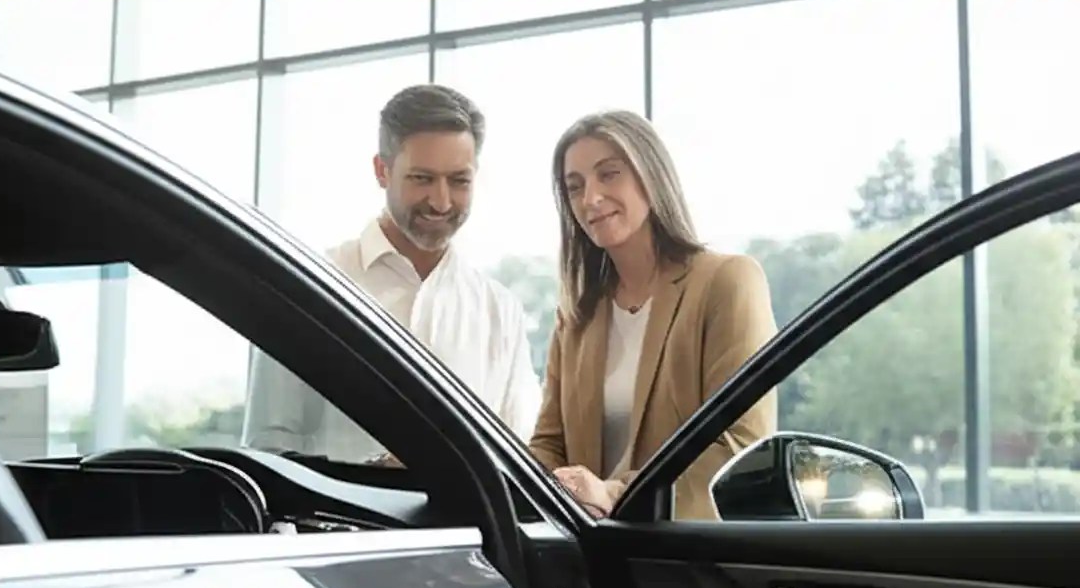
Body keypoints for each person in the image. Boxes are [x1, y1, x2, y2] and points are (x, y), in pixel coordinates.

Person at [242, 84, 541, 463]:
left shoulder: (500, 310)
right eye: (422, 179)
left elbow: (521, 456)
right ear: (382, 171)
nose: (441, 201)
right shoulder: (307, 287)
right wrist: (372, 476)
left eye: (459, 180)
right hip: (339, 523)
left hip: (466, 525)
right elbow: (267, 452)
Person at [528, 109, 778, 520]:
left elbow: (740, 444)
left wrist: (616, 493)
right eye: (575, 187)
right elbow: (549, 444)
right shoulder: (578, 314)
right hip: (588, 554)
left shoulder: (727, 282)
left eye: (609, 174)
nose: (590, 198)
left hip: (684, 556)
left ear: (651, 175)